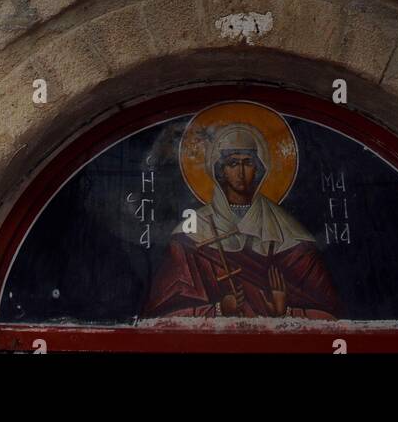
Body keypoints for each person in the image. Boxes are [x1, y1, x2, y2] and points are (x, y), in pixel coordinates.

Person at [143, 122, 339, 319]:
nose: (241, 172)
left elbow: (331, 317)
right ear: (220, 170)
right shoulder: (191, 234)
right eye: (233, 163)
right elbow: (163, 318)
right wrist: (219, 310)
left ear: (259, 168)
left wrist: (285, 311)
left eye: (248, 162)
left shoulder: (288, 232)